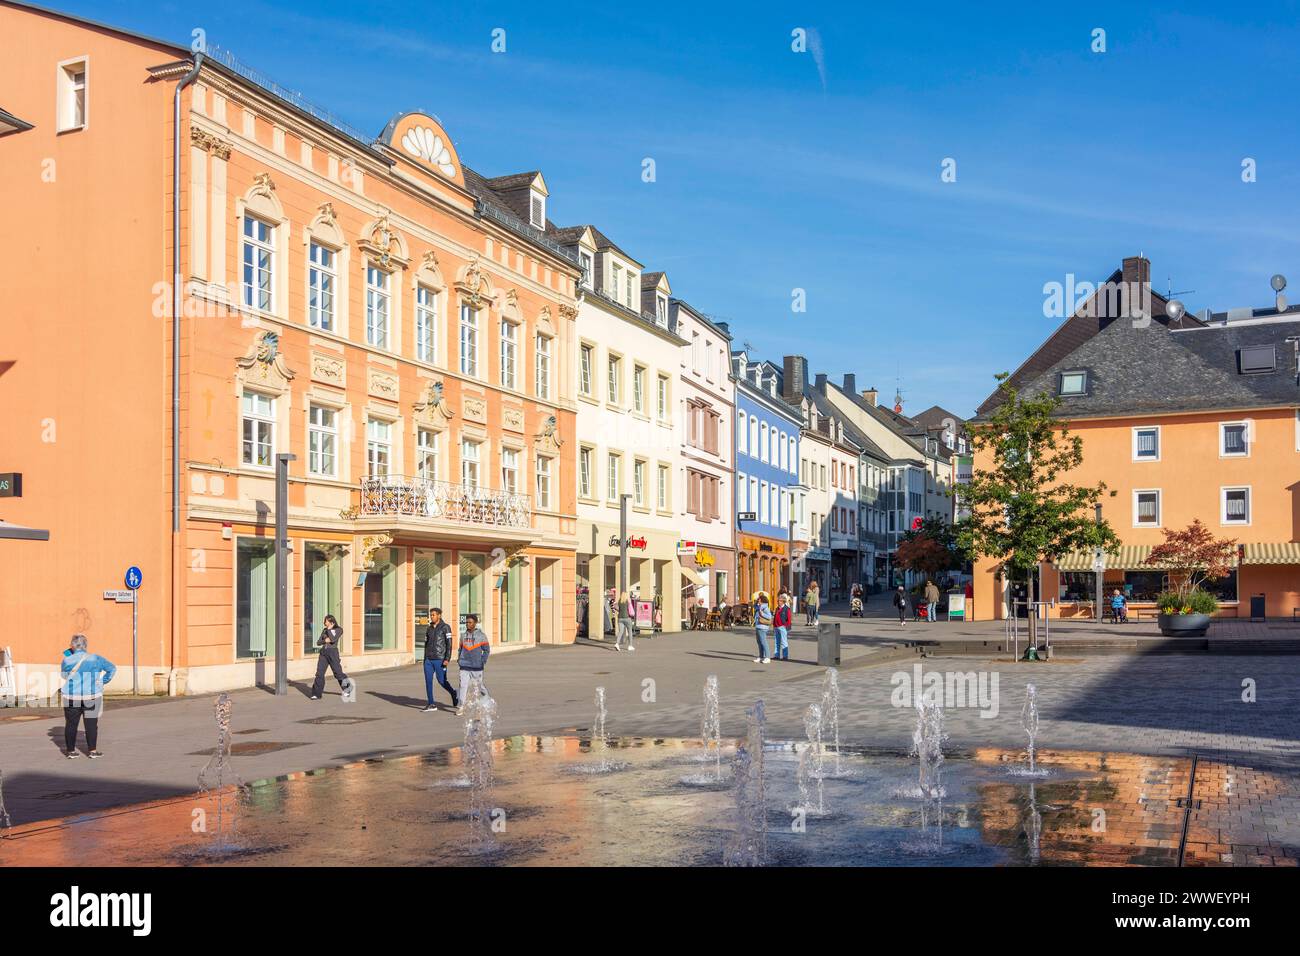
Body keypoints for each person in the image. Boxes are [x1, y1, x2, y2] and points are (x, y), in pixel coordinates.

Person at [61, 634, 116, 759]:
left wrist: (70, 655)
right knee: (91, 724)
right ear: (86, 645)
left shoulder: (67, 660)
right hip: (91, 696)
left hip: (71, 696)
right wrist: (102, 681)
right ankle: (92, 751)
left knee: (71, 724)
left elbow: (64, 675)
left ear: (72, 646)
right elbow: (112, 669)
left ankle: (71, 752)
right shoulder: (96, 658)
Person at [422, 607, 458, 712]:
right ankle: (431, 704)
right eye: (431, 615)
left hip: (440, 659)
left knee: (442, 681)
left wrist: (447, 658)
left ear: (439, 615)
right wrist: (425, 658)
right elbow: (426, 644)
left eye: (433, 615)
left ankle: (453, 693)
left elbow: (449, 644)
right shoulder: (429, 628)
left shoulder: (445, 627)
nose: (431, 617)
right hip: (428, 659)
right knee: (428, 681)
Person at [309, 614, 351, 700]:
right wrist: (325, 640)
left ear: (331, 621)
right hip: (323, 653)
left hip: (333, 653)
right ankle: (316, 694)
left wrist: (329, 631)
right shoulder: (324, 630)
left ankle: (347, 689)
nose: (324, 622)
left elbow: (333, 639)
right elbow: (318, 642)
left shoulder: (339, 630)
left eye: (326, 621)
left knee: (338, 673)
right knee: (319, 674)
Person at [456, 614, 490, 715]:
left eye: (470, 622)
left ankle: (485, 700)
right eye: (466, 622)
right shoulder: (463, 636)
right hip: (464, 666)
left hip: (477, 666)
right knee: (463, 686)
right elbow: (460, 649)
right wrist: (459, 659)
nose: (467, 624)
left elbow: (487, 650)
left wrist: (482, 661)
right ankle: (461, 706)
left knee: (478, 686)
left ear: (475, 623)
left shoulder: (481, 636)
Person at [752, 594, 774, 664]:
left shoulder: (765, 607)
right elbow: (754, 607)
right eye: (758, 599)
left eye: (759, 599)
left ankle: (767, 657)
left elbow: (769, 617)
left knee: (763, 642)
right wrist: (756, 601)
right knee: (759, 642)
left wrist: (762, 614)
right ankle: (761, 656)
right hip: (758, 626)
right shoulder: (759, 606)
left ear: (762, 600)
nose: (758, 600)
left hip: (763, 627)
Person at [772, 594, 792, 661]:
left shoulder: (787, 609)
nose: (778, 602)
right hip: (776, 627)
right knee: (776, 642)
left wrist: (786, 626)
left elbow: (789, 619)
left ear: (783, 601)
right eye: (778, 601)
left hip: (782, 627)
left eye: (779, 601)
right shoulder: (777, 608)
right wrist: (774, 625)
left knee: (784, 642)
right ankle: (777, 655)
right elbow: (775, 617)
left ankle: (785, 656)